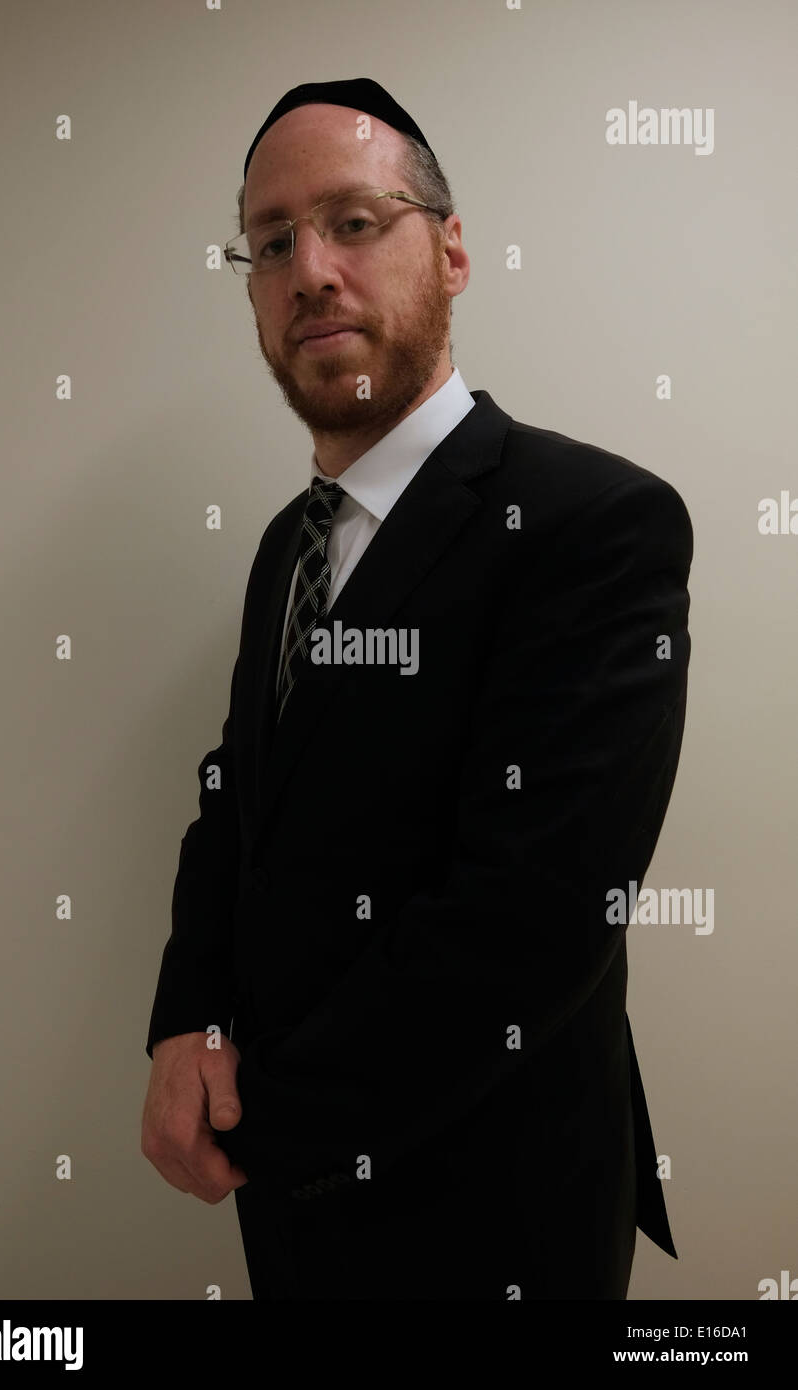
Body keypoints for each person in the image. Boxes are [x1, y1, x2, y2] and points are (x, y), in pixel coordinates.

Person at [141, 78, 693, 1300]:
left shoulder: (591, 523)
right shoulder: (285, 544)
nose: (309, 270)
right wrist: (185, 1019)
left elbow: (533, 917)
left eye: (351, 221)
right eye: (271, 241)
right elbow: (237, 801)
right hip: (290, 1218)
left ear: (447, 252)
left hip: (493, 1212)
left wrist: (264, 1126)